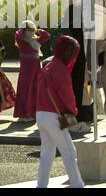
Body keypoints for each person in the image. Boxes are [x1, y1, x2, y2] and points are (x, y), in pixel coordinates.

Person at [34, 35, 85, 188]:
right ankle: (78, 185)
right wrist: (73, 110)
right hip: (53, 116)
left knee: (47, 154)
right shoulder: (61, 69)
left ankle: (41, 186)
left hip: (41, 113)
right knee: (69, 151)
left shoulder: (48, 65)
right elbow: (67, 94)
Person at [12, 20, 50, 122]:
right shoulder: (22, 41)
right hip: (26, 69)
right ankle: (24, 114)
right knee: (25, 89)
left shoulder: (36, 41)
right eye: (28, 30)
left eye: (32, 30)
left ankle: (33, 113)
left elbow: (46, 35)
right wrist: (23, 29)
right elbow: (18, 35)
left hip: (36, 68)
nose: (31, 32)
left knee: (35, 89)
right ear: (24, 31)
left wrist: (37, 30)